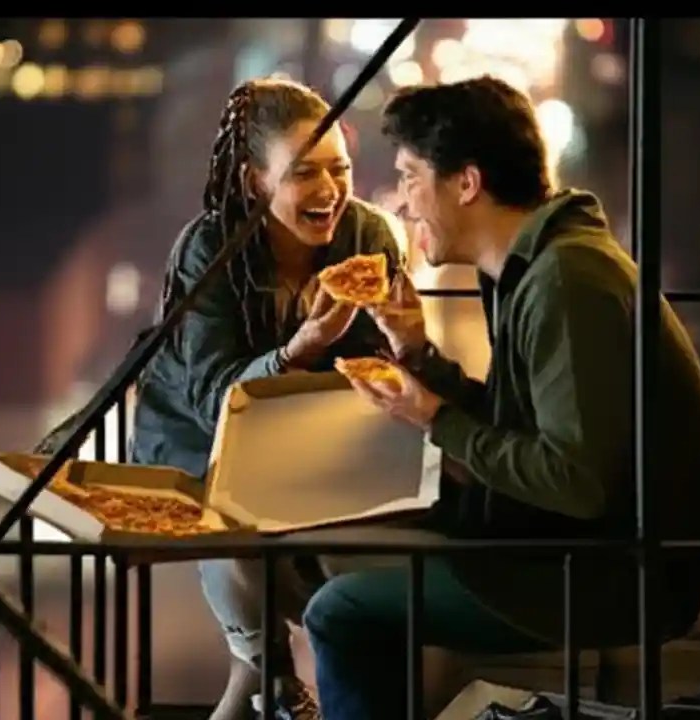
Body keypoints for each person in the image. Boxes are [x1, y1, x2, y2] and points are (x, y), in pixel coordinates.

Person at [301, 77, 700, 719]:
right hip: (571, 551)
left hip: (610, 579)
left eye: (412, 178)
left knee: (337, 612)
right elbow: (521, 425)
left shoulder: (566, 281)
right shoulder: (537, 266)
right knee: (336, 549)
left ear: (466, 183)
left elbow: (575, 479)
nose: (406, 205)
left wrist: (435, 416)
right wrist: (419, 357)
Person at [127, 77, 405, 720]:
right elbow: (211, 399)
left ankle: (271, 683)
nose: (331, 190)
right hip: (197, 441)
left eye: (340, 168)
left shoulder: (368, 237)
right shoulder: (209, 248)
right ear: (255, 180)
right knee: (230, 520)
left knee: (346, 546)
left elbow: (375, 372)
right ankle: (270, 678)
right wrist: (298, 347)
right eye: (305, 172)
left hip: (308, 442)